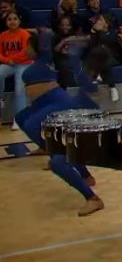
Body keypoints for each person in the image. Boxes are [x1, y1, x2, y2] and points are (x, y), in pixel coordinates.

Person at [15, 30, 104, 216]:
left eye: (28, 46)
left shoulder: (46, 57)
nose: (26, 49)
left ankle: (92, 198)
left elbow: (47, 36)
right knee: (22, 118)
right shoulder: (39, 62)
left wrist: (40, 32)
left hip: (58, 103)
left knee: (52, 149)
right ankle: (85, 175)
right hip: (44, 104)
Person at [0, 11, 33, 129]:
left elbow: (26, 52)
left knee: (19, 88)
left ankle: (19, 118)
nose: (12, 21)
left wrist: (12, 59)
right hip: (9, 64)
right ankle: (1, 99)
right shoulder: (2, 35)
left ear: (19, 21)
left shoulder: (25, 34)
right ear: (6, 22)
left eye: (15, 19)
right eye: (9, 19)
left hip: (24, 64)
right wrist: (7, 60)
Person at [86, 14, 122, 102]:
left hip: (114, 59)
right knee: (97, 55)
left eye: (100, 20)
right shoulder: (97, 34)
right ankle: (112, 88)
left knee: (102, 51)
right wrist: (93, 31)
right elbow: (91, 47)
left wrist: (97, 33)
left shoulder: (114, 33)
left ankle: (96, 74)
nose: (97, 21)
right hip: (101, 60)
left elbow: (108, 42)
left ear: (107, 24)